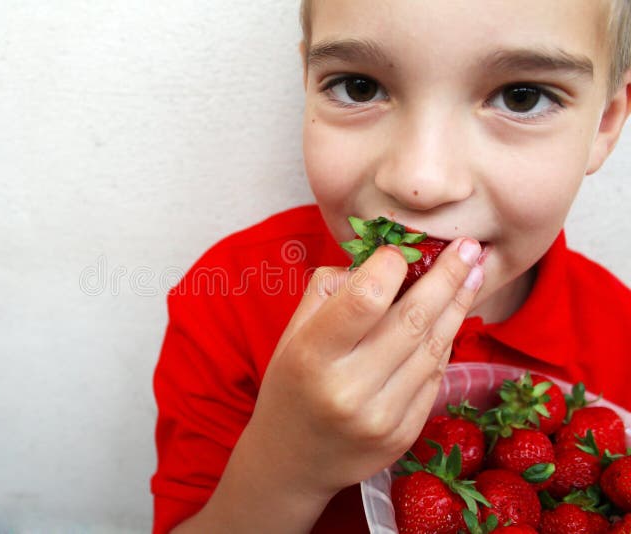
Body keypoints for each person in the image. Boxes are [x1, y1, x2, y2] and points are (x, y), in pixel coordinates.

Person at [151, 0, 631, 532]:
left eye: (522, 97)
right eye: (359, 86)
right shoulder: (231, 299)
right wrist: (288, 463)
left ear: (606, 121)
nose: (419, 181)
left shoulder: (622, 337)